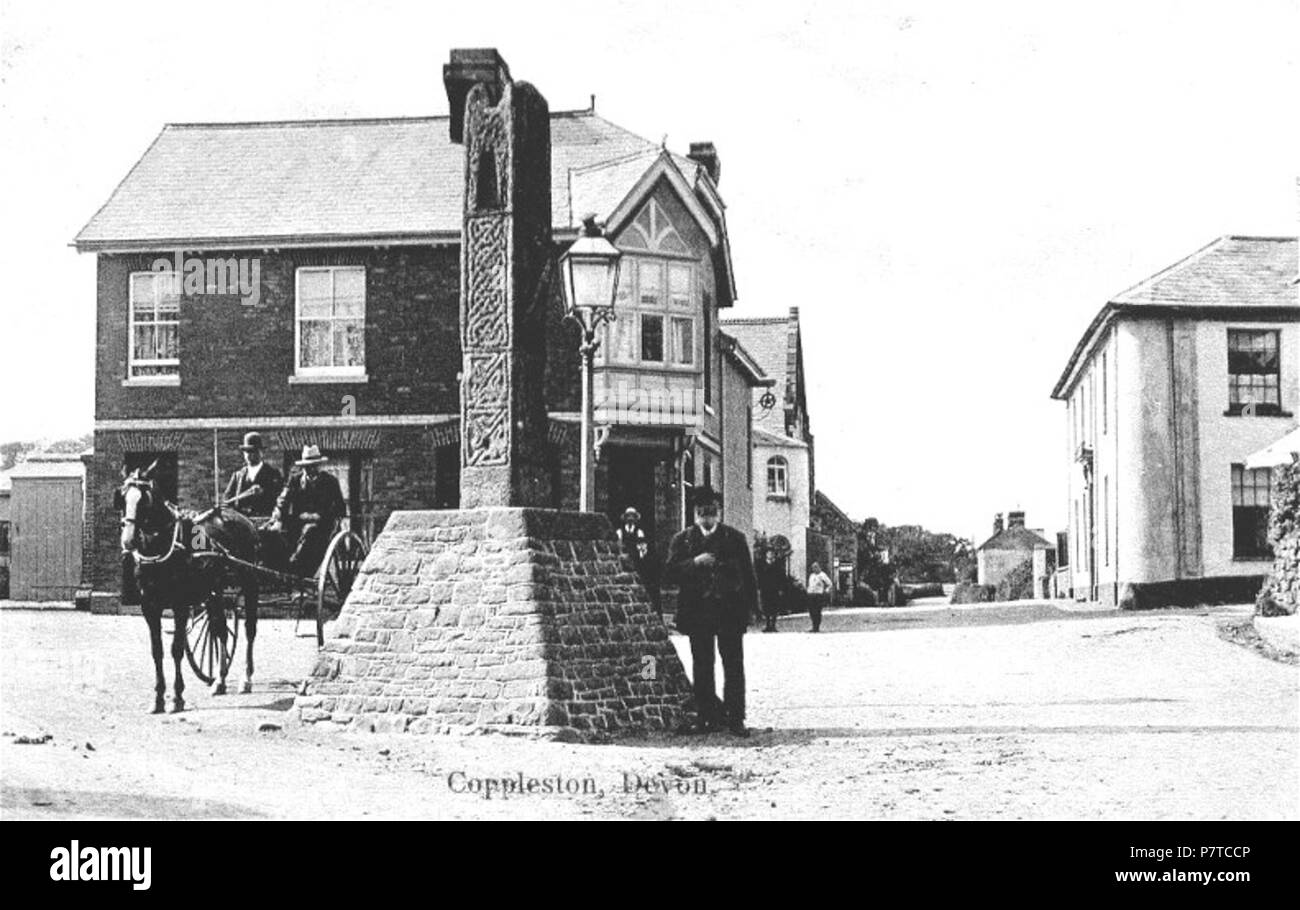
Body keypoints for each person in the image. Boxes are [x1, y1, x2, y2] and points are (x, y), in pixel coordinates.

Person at [663, 486, 758, 737]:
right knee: (702, 665)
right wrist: (694, 562)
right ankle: (707, 717)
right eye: (702, 512)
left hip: (729, 611)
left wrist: (752, 607)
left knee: (733, 665)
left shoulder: (734, 538)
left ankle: (736, 718)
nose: (707, 517)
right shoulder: (682, 540)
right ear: (695, 514)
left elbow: (748, 575)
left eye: (712, 512)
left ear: (719, 513)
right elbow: (670, 572)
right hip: (698, 613)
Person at [267, 445, 346, 578]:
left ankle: (295, 567)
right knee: (272, 534)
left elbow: (340, 508)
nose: (311, 470)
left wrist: (319, 516)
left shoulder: (330, 482)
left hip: (322, 528)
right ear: (303, 467)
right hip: (297, 525)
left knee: (310, 530)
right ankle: (278, 570)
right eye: (308, 467)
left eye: (315, 466)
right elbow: (283, 500)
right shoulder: (295, 480)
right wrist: (279, 516)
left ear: (319, 466)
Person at [222, 432, 283, 518]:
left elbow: (279, 501)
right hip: (241, 523)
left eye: (252, 451)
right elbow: (226, 501)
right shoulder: (237, 476)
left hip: (264, 522)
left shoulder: (273, 475)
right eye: (246, 452)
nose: (249, 455)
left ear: (261, 452)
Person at [616, 506, 660, 616]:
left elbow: (642, 547)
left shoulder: (639, 532)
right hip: (623, 560)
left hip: (636, 561)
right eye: (628, 517)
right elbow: (618, 546)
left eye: (633, 517)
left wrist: (640, 559)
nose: (630, 519)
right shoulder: (620, 532)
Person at [757, 549, 783, 633]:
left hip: (774, 589)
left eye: (772, 554)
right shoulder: (762, 564)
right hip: (765, 589)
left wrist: (781, 588)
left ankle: (773, 625)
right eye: (768, 554)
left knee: (774, 607)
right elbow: (759, 577)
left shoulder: (777, 565)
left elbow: (781, 577)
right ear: (766, 555)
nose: (770, 555)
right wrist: (759, 587)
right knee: (766, 607)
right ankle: (768, 625)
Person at [807, 561, 833, 633]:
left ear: (819, 567)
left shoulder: (822, 575)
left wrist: (826, 590)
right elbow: (810, 585)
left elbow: (830, 584)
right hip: (811, 595)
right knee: (811, 611)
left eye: (816, 567)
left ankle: (816, 627)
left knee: (817, 611)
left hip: (818, 595)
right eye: (813, 567)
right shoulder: (811, 575)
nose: (814, 569)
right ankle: (813, 625)